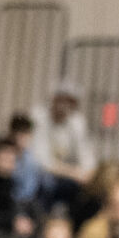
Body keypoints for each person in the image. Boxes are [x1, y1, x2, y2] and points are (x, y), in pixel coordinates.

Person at [30, 83, 96, 211]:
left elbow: (86, 155)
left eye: (69, 102)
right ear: (53, 99)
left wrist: (87, 173)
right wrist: (73, 172)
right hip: (43, 175)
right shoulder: (39, 117)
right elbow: (41, 161)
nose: (64, 106)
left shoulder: (77, 122)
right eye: (61, 100)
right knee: (46, 183)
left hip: (69, 176)